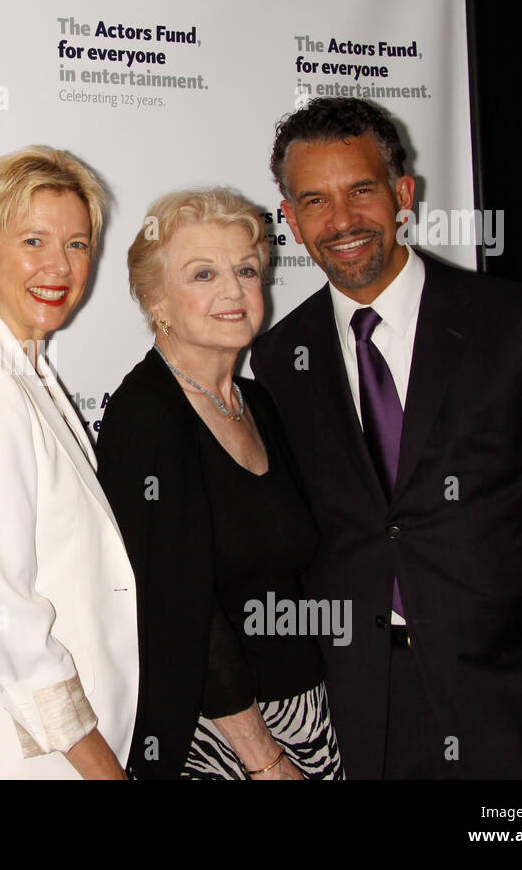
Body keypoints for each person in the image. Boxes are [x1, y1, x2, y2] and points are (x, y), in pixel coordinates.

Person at [251, 96, 522, 779]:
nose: (340, 221)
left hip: (520, 714)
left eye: (362, 191)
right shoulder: (282, 356)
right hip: (360, 720)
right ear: (289, 218)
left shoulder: (520, 327)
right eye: (314, 201)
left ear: (404, 194)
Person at [97, 188, 343, 780]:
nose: (233, 292)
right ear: (156, 299)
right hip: (219, 739)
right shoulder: (146, 416)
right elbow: (176, 611)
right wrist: (263, 760)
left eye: (246, 270)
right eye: (203, 274)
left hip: (306, 718)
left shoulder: (256, 400)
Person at [0, 146, 138, 779]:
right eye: (34, 241)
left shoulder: (25, 367)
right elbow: (3, 610)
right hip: (43, 755)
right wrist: (100, 767)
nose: (59, 266)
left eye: (76, 244)